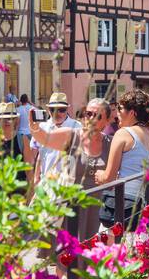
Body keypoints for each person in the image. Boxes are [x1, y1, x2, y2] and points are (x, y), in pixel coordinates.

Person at [31, 98, 112, 240]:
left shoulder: (111, 143)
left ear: (106, 121)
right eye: (89, 114)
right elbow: (44, 138)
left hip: (98, 208)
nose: (92, 118)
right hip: (71, 206)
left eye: (98, 115)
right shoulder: (72, 135)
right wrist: (34, 127)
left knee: (94, 254)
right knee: (68, 255)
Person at [95, 89, 149, 231]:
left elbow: (109, 178)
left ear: (132, 113)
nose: (116, 114)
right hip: (148, 209)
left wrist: (99, 175)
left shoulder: (123, 134)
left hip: (123, 207)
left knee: (111, 252)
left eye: (120, 109)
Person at [30, 92, 80, 182]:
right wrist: (36, 177)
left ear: (67, 109)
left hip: (68, 183)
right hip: (46, 182)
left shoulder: (76, 127)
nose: (57, 113)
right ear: (48, 109)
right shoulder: (41, 127)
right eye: (53, 109)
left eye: (61, 110)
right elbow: (39, 154)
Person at [15, 94, 37, 165]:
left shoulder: (18, 109)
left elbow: (17, 123)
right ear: (27, 100)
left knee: (22, 151)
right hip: (30, 132)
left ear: (21, 100)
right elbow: (39, 110)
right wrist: (31, 103)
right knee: (32, 151)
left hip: (21, 133)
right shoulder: (31, 108)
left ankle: (23, 165)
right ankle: (32, 164)